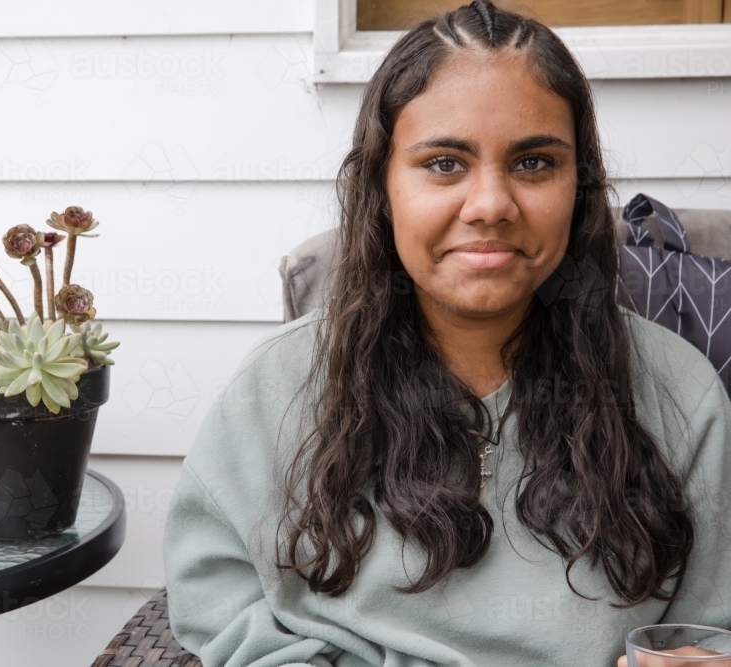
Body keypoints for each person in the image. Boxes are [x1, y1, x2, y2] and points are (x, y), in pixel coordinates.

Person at [162, 2, 731, 666]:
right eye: (444, 164)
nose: (490, 204)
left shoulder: (680, 396)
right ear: (382, 186)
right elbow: (217, 595)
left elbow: (707, 625)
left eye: (535, 163)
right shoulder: (279, 388)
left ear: (580, 187)